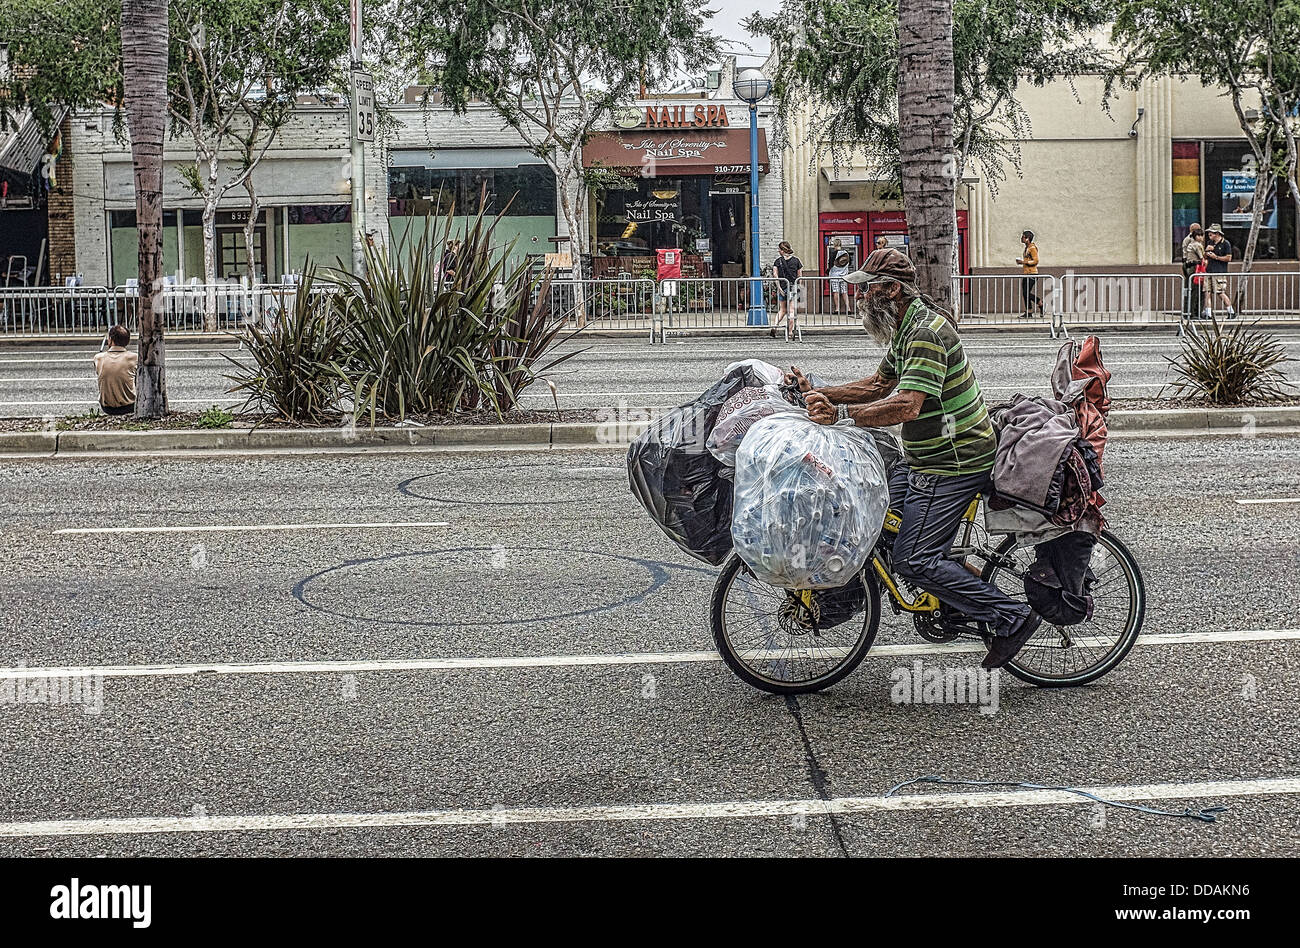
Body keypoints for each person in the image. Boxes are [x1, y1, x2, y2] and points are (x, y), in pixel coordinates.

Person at [787, 248, 1043, 669]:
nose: (860, 298)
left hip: (953, 461)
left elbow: (906, 405)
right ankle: (955, 590)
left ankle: (1010, 617)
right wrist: (817, 391)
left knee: (914, 559)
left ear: (891, 290)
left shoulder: (925, 333)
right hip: (926, 457)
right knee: (879, 518)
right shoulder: (907, 328)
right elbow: (876, 385)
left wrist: (843, 417)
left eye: (867, 289)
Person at [94, 324, 137, 416]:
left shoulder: (98, 358)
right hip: (129, 406)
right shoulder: (134, 357)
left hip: (107, 407)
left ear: (110, 340)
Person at [772, 240, 803, 339]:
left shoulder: (778, 261)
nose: (778, 251)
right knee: (791, 311)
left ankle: (774, 326)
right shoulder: (796, 261)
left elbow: (775, 275)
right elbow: (800, 276)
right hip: (793, 288)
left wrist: (779, 288)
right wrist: (799, 288)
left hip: (783, 287)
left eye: (779, 249)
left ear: (782, 250)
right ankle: (790, 332)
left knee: (782, 310)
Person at [1204, 224, 1235, 318]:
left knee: (1220, 292)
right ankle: (1208, 313)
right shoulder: (1210, 242)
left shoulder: (1226, 243)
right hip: (1209, 270)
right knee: (1207, 291)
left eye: (1212, 232)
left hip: (1219, 271)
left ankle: (1231, 311)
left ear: (1217, 233)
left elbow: (1229, 258)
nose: (1209, 234)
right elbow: (1204, 257)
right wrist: (1206, 251)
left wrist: (1216, 257)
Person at [1181, 222, 1206, 317]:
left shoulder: (1194, 242)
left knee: (1196, 290)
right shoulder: (1190, 241)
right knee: (1193, 290)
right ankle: (1191, 312)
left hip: (1193, 266)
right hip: (1193, 266)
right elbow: (1198, 256)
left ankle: (1195, 311)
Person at [1016, 230, 1042, 318]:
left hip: (1032, 274)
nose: (1021, 238)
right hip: (1026, 273)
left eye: (1023, 237)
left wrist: (1024, 262)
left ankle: (1039, 303)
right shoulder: (1027, 248)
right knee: (1025, 293)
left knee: (1026, 292)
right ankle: (1030, 311)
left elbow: (1036, 260)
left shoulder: (1032, 248)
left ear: (1027, 239)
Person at [827, 250, 852, 316]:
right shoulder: (846, 253)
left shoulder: (833, 253)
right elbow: (850, 262)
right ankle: (848, 309)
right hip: (844, 276)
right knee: (844, 292)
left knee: (836, 292)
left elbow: (830, 264)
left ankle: (837, 309)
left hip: (834, 276)